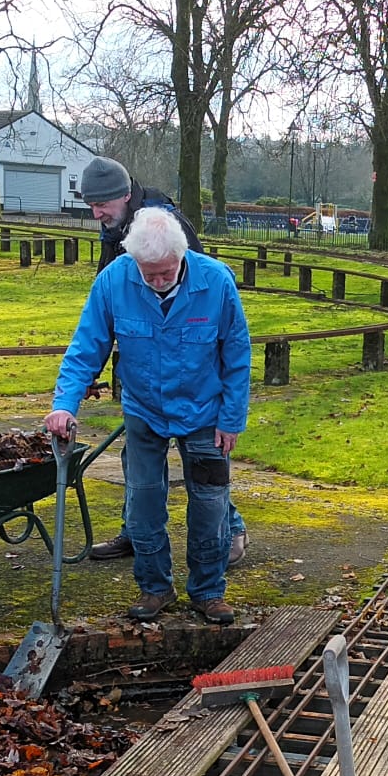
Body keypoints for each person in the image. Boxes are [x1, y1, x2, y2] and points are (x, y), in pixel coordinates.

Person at [47, 208, 251, 624]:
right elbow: (87, 346)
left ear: (182, 256)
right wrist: (65, 403)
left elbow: (237, 354)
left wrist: (231, 418)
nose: (158, 281)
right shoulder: (114, 281)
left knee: (211, 505)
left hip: (205, 413)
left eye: (166, 272)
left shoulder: (216, 283)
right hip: (144, 410)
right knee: (142, 503)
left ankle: (209, 591)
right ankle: (155, 588)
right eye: (149, 274)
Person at [77, 155, 248, 566]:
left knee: (205, 472)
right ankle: (136, 533)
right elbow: (108, 300)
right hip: (142, 372)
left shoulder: (166, 223)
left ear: (124, 195)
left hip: (191, 373)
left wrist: (227, 409)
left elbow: (193, 285)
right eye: (91, 207)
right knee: (140, 475)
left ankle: (232, 529)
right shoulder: (115, 230)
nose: (97, 213)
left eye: (102, 205)